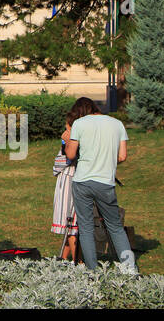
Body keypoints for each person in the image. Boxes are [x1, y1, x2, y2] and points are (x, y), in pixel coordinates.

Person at [65, 97, 137, 273]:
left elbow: (71, 154)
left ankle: (91, 270)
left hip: (82, 181)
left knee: (86, 227)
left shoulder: (79, 124)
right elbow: (122, 156)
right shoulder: (117, 124)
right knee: (115, 227)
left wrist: (67, 139)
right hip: (105, 182)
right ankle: (129, 268)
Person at [51, 101, 94, 260]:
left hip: (70, 181)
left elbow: (67, 158)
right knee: (73, 226)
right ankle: (63, 259)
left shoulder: (74, 137)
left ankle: (80, 262)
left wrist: (66, 142)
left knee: (72, 226)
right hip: (78, 179)